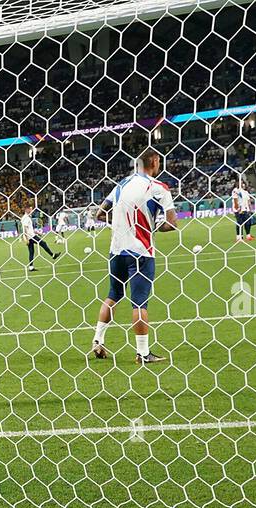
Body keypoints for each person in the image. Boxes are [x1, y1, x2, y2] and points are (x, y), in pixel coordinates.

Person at [89, 148, 177, 365]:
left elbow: (100, 213)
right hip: (141, 252)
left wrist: (121, 225)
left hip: (116, 250)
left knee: (113, 295)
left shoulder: (122, 184)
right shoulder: (159, 188)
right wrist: (152, 228)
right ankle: (143, 353)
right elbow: (172, 223)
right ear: (154, 161)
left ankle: (97, 340)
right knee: (139, 303)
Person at [20, 205, 61, 271]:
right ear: (26, 210)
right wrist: (26, 238)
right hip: (31, 237)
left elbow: (29, 229)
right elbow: (24, 228)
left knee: (31, 252)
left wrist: (37, 233)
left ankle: (31, 267)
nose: (31, 210)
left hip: (31, 236)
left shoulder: (27, 217)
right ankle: (53, 255)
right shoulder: (26, 218)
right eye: (30, 209)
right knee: (43, 243)